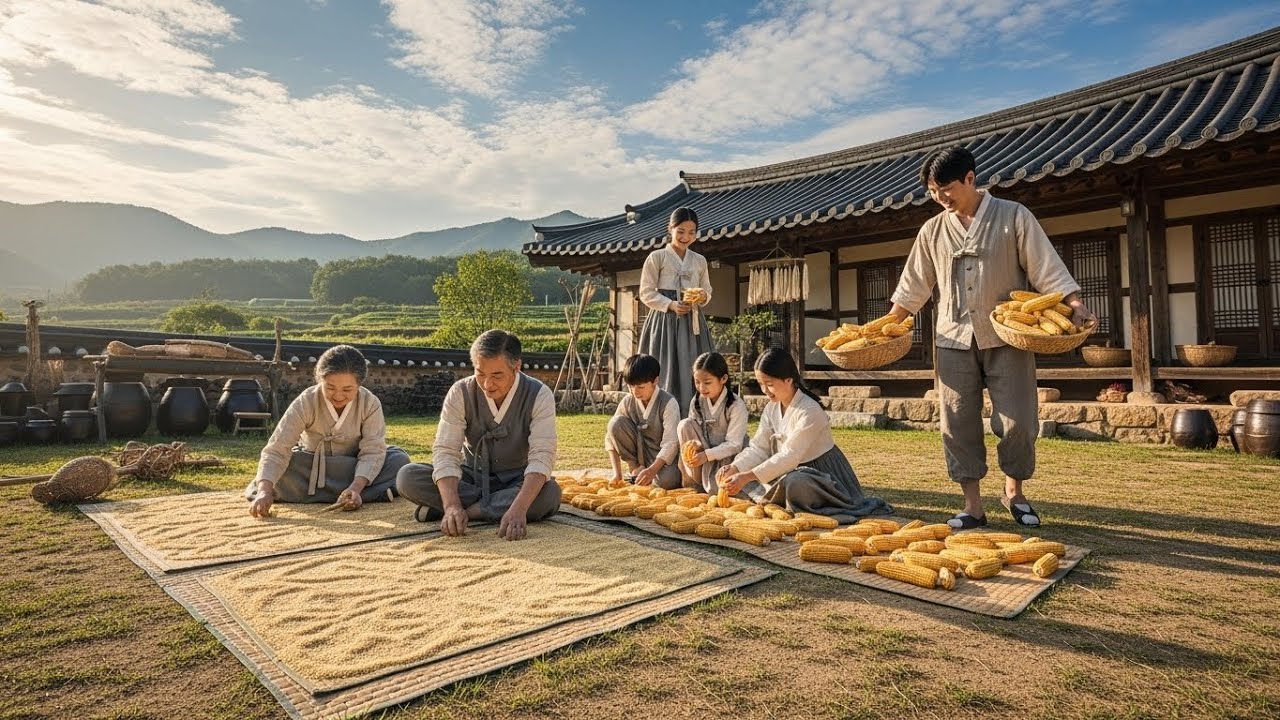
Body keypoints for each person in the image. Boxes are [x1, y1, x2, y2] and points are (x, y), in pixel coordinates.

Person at [887, 146, 1097, 529]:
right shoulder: (932, 230)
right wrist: (883, 329)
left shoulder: (1013, 216)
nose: (940, 199)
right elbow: (913, 285)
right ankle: (972, 506)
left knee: (1018, 422)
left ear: (970, 178)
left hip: (1008, 337)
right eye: (933, 193)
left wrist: (1075, 303)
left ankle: (1014, 492)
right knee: (956, 423)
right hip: (952, 338)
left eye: (946, 189)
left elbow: (1046, 267)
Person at [396, 329, 559, 541]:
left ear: (516, 366)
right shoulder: (460, 392)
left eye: (497, 375)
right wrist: (452, 504)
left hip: (515, 482)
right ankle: (474, 508)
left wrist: (519, 508)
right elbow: (446, 450)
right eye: (480, 374)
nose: (487, 384)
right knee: (407, 476)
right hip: (470, 479)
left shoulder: (539, 394)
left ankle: (471, 512)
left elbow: (542, 455)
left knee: (550, 494)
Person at [716, 348, 891, 522]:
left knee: (793, 483)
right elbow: (759, 447)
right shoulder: (771, 408)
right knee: (748, 480)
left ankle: (800, 502)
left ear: (788, 380)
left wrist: (747, 476)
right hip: (788, 468)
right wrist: (736, 467)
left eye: (769, 384)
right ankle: (779, 497)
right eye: (761, 384)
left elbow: (791, 455)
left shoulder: (810, 410)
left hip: (821, 474)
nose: (765, 391)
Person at [247, 344, 410, 518]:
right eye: (330, 388)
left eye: (347, 389)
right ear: (319, 380)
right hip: (310, 468)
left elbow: (372, 450)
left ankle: (353, 493)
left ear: (359, 384)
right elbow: (278, 448)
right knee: (281, 470)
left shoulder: (369, 402)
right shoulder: (306, 401)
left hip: (352, 466)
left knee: (398, 459)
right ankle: (369, 494)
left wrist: (355, 486)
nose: (338, 396)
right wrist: (264, 490)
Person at [636, 206, 713, 416]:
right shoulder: (657, 257)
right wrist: (670, 304)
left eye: (691, 232)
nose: (685, 237)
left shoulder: (699, 261)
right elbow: (646, 292)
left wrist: (702, 296)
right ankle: (663, 413)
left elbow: (707, 290)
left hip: (692, 320)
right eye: (680, 231)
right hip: (664, 321)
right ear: (670, 229)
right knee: (664, 364)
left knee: (694, 363)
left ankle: (696, 413)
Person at [605, 354, 682, 489]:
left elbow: (671, 443)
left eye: (640, 387)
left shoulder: (668, 403)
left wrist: (652, 470)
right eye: (631, 387)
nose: (635, 392)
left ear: (655, 381)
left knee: (667, 482)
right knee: (615, 423)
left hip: (662, 459)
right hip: (639, 456)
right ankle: (635, 469)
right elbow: (611, 437)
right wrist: (617, 474)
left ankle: (644, 475)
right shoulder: (628, 401)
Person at [677, 352, 749, 492]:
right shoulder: (697, 401)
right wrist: (695, 445)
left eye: (707, 382)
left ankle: (709, 483)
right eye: (697, 382)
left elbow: (734, 445)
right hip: (703, 456)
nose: (701, 388)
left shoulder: (736, 405)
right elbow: (692, 430)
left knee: (716, 490)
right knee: (684, 425)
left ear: (723, 378)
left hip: (727, 458)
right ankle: (693, 483)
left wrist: (706, 455)